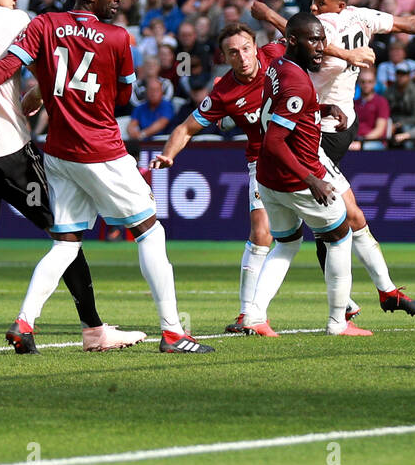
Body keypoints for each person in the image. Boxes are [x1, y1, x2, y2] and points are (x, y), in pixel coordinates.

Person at [0, 0, 210, 354]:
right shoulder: (119, 37)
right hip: (101, 149)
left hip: (57, 153)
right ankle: (173, 332)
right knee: (150, 231)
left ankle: (25, 323)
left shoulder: (44, 25)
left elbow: (2, 70)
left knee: (65, 242)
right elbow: (123, 99)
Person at [251, 0, 415, 317]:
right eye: (312, 0)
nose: (313, 7)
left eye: (320, 1)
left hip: (335, 127)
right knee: (346, 219)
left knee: (331, 225)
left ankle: (363, 297)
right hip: (312, 131)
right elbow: (305, 38)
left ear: (340, 4)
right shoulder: (339, 23)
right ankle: (372, 296)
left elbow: (410, 24)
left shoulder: (344, 20)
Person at [150, 22, 372, 335]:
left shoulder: (276, 56)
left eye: (245, 48)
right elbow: (186, 128)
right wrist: (169, 154)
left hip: (294, 157)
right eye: (232, 52)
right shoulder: (225, 92)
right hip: (272, 161)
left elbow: (303, 37)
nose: (241, 57)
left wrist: (321, 102)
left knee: (307, 233)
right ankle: (306, 315)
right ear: (225, 58)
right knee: (273, 234)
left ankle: (346, 300)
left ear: (257, 47)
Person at [243, 12, 370, 337]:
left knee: (286, 243)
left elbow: (285, 111)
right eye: (314, 40)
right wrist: (311, 179)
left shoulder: (278, 66)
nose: (321, 46)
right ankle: (338, 322)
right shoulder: (297, 81)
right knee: (340, 235)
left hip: (267, 179)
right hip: (297, 177)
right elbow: (274, 141)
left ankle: (254, 315)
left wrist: (322, 109)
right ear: (294, 40)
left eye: (322, 39)